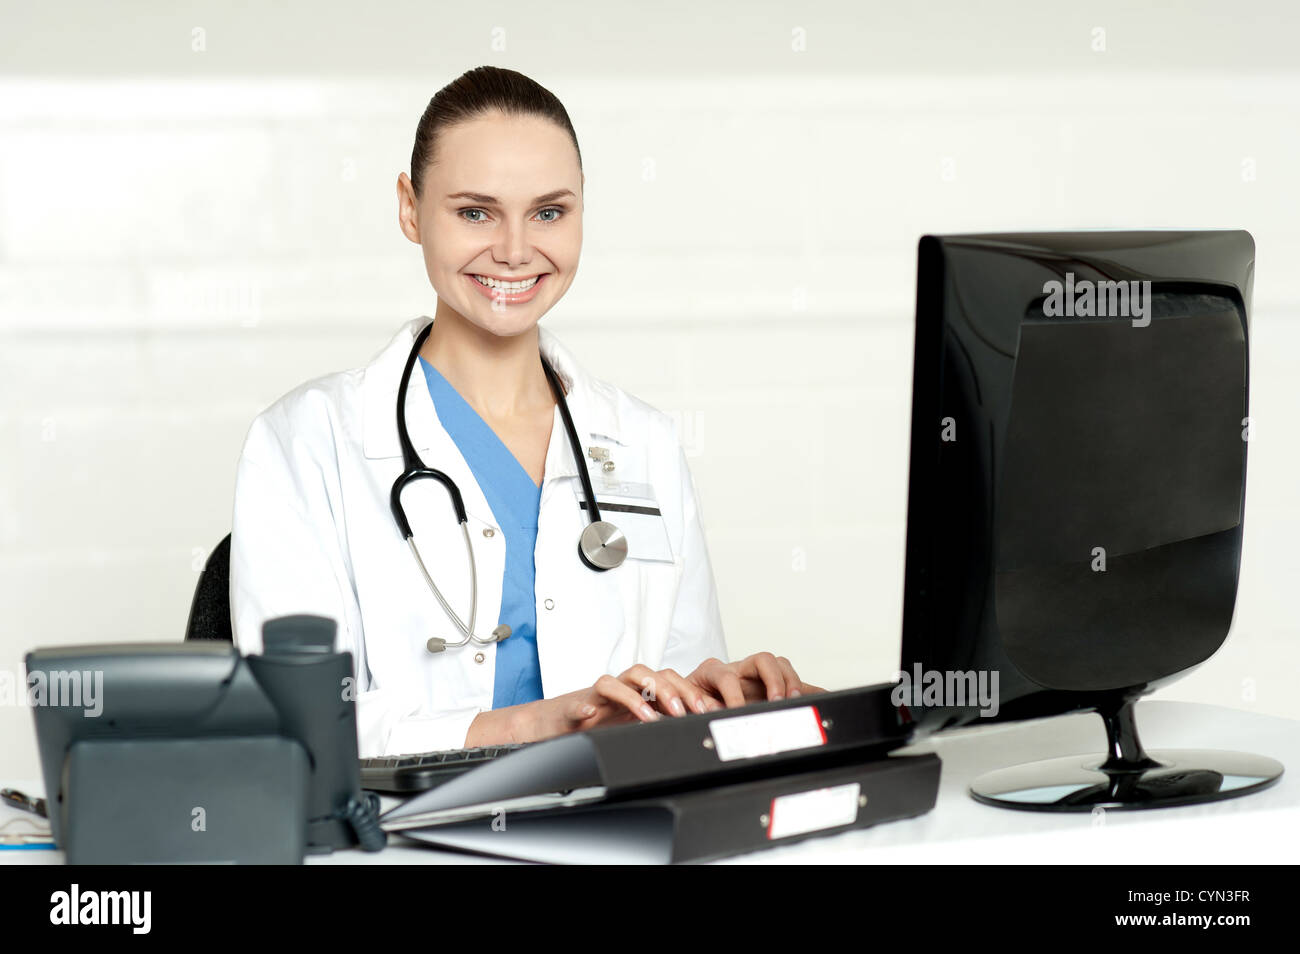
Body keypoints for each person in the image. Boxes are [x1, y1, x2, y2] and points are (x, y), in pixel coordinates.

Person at [229, 65, 822, 758]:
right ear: (410, 209)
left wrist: (718, 696)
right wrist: (539, 724)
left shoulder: (644, 443)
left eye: (548, 212)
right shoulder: (306, 441)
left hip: (614, 830)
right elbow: (297, 727)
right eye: (475, 212)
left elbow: (674, 693)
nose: (514, 250)